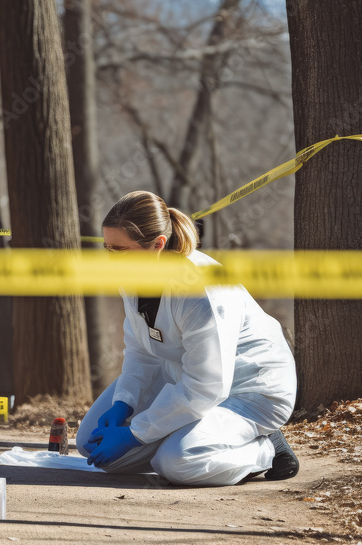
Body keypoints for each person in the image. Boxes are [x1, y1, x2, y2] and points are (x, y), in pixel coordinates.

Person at [78, 191, 299, 486]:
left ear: (157, 244)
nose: (110, 260)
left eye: (119, 250)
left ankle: (268, 448)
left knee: (178, 461)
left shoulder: (200, 291)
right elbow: (141, 351)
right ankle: (184, 434)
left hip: (248, 390)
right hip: (180, 373)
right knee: (89, 443)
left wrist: (136, 432)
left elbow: (207, 386)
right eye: (107, 248)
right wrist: (124, 403)